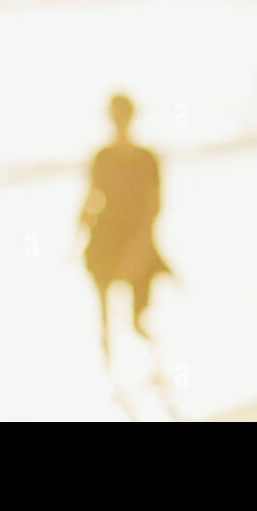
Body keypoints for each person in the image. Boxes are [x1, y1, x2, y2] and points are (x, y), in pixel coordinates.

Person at [79, 94, 172, 366]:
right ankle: (109, 377)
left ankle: (157, 364)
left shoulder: (148, 158)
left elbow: (155, 206)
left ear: (131, 117)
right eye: (114, 115)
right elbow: (91, 197)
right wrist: (79, 226)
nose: (118, 121)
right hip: (105, 235)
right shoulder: (101, 157)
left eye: (122, 115)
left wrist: (142, 246)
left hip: (136, 237)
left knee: (136, 320)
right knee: (103, 316)